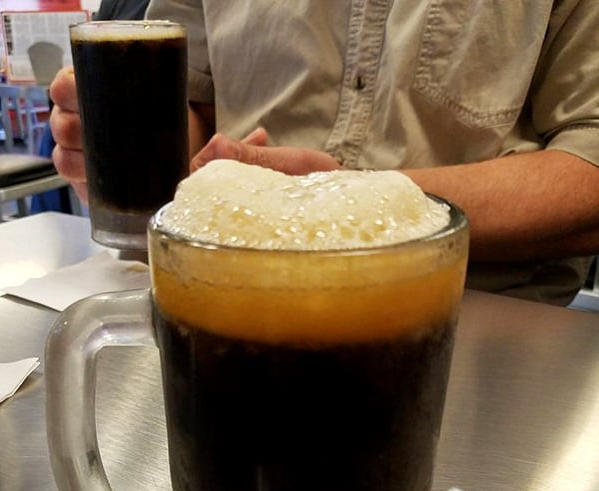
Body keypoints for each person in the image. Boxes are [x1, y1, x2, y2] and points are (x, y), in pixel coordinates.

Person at [49, 1, 599, 304]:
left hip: (479, 314)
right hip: (221, 292)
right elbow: (198, 111)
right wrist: (124, 145)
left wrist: (347, 199)